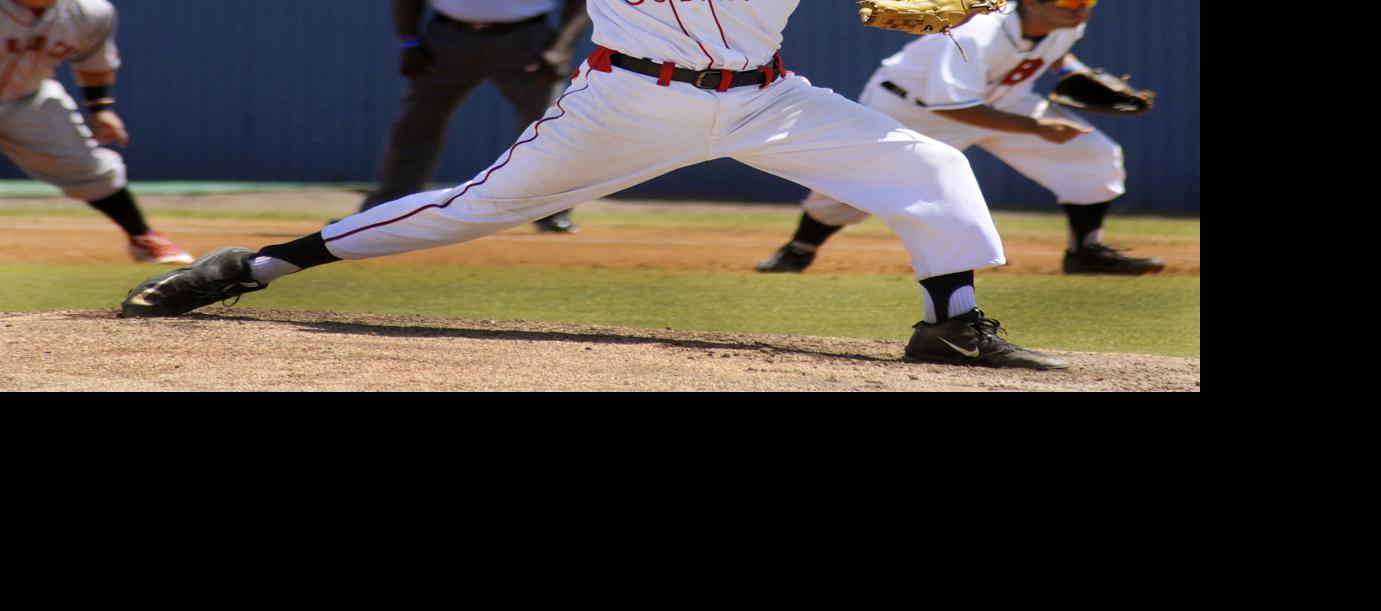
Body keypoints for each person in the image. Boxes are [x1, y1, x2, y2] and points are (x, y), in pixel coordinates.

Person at [120, 0, 1069, 371]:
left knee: (930, 161)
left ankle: (950, 320)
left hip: (768, 99)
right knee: (472, 208)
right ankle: (254, 266)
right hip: (624, 101)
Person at [756, 0, 1164, 276]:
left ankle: (1086, 251)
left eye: (1086, 3)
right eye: (1072, 4)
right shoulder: (978, 33)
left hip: (999, 100)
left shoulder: (1064, 23)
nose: (1081, 10)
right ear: (1034, 3)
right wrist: (1038, 129)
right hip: (914, 108)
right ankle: (799, 250)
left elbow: (1056, 52)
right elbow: (951, 108)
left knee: (1092, 153)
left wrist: (1068, 74)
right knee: (851, 189)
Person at [361, 0, 590, 234]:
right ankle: (385, 212)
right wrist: (409, 41)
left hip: (526, 41)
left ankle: (551, 213)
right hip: (447, 39)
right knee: (414, 126)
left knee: (549, 129)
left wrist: (561, 47)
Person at [0, 0, 191, 264]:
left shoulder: (89, 12)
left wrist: (100, 108)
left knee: (86, 168)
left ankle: (143, 237)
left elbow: (94, 60)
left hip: (28, 99)